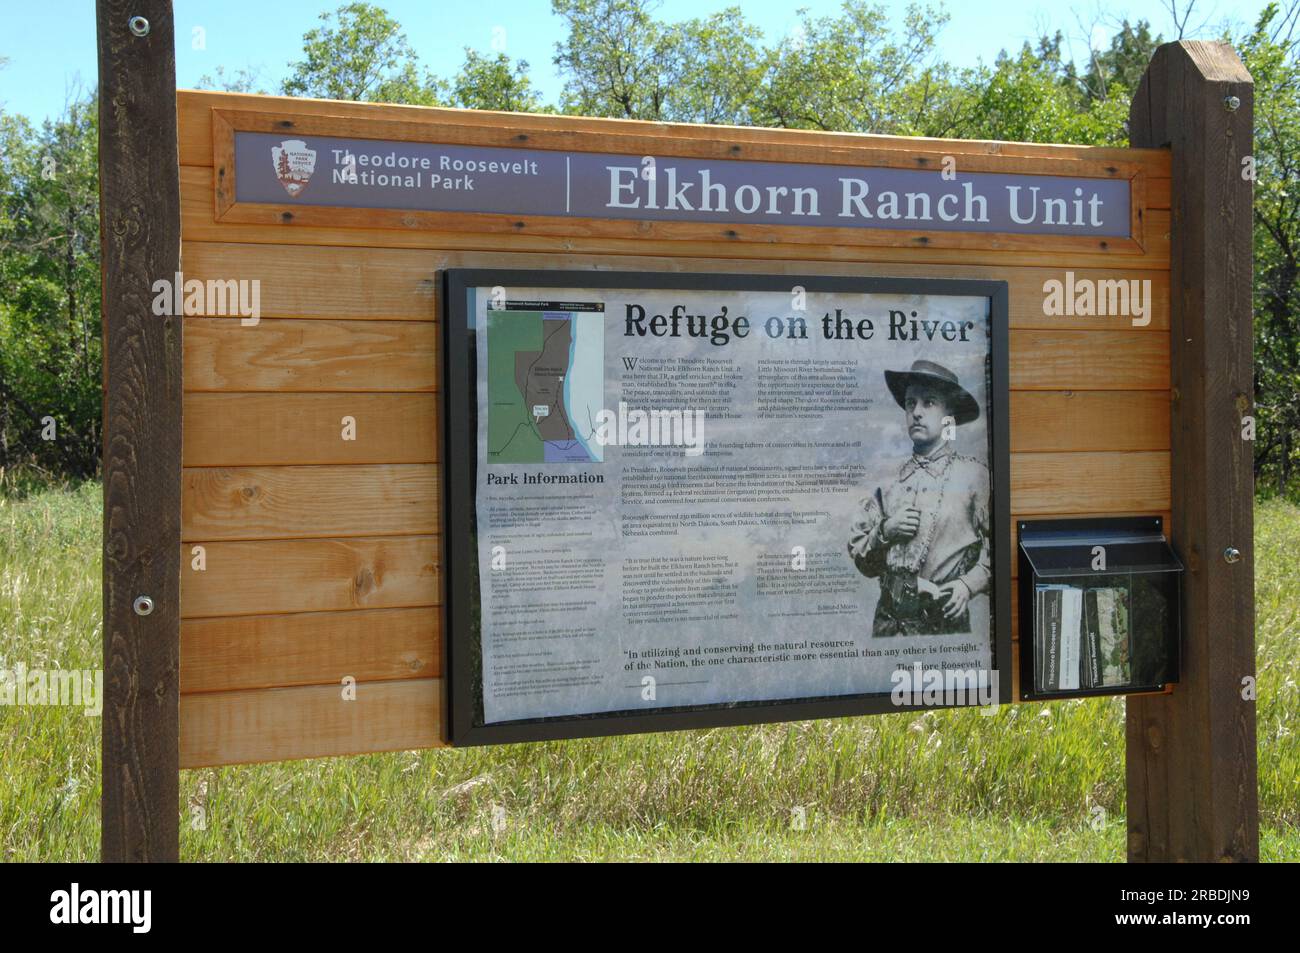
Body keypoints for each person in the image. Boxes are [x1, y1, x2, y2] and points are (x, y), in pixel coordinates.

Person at [847, 359, 991, 636]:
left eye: (929, 403)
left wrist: (967, 584)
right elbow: (862, 559)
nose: (916, 412)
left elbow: (997, 552)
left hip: (942, 622)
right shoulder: (888, 480)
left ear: (949, 415)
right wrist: (886, 531)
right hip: (887, 624)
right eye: (911, 403)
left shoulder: (973, 476)